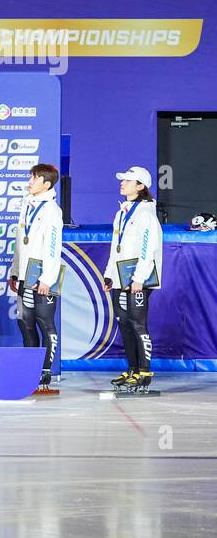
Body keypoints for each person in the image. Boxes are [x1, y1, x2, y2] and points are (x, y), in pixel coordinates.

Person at [102, 166, 162, 391]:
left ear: (140, 186)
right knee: (124, 324)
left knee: (138, 324)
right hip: (120, 277)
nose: (123, 183)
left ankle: (145, 372)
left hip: (138, 279)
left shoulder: (146, 213)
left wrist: (139, 278)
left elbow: (148, 249)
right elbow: (115, 249)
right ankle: (133, 369)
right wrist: (109, 275)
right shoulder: (121, 212)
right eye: (123, 180)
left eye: (128, 180)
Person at [8, 163, 63, 389]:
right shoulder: (27, 204)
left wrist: (48, 278)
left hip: (43, 277)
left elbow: (53, 246)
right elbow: (21, 243)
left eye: (34, 178)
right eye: (30, 177)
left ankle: (45, 371)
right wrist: (15, 271)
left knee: (45, 323)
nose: (29, 181)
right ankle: (31, 367)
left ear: (46, 184)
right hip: (24, 276)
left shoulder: (51, 210)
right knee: (26, 322)